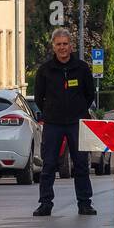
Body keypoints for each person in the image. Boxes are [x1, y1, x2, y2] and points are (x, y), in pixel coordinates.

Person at [31, 28, 97, 217]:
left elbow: (89, 93)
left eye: (65, 44)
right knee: (49, 164)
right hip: (53, 123)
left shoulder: (82, 68)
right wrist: (51, 112)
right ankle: (45, 203)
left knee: (81, 164)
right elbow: (38, 97)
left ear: (71, 46)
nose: (62, 48)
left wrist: (78, 109)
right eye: (58, 44)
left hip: (76, 123)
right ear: (53, 46)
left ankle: (85, 203)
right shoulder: (45, 70)